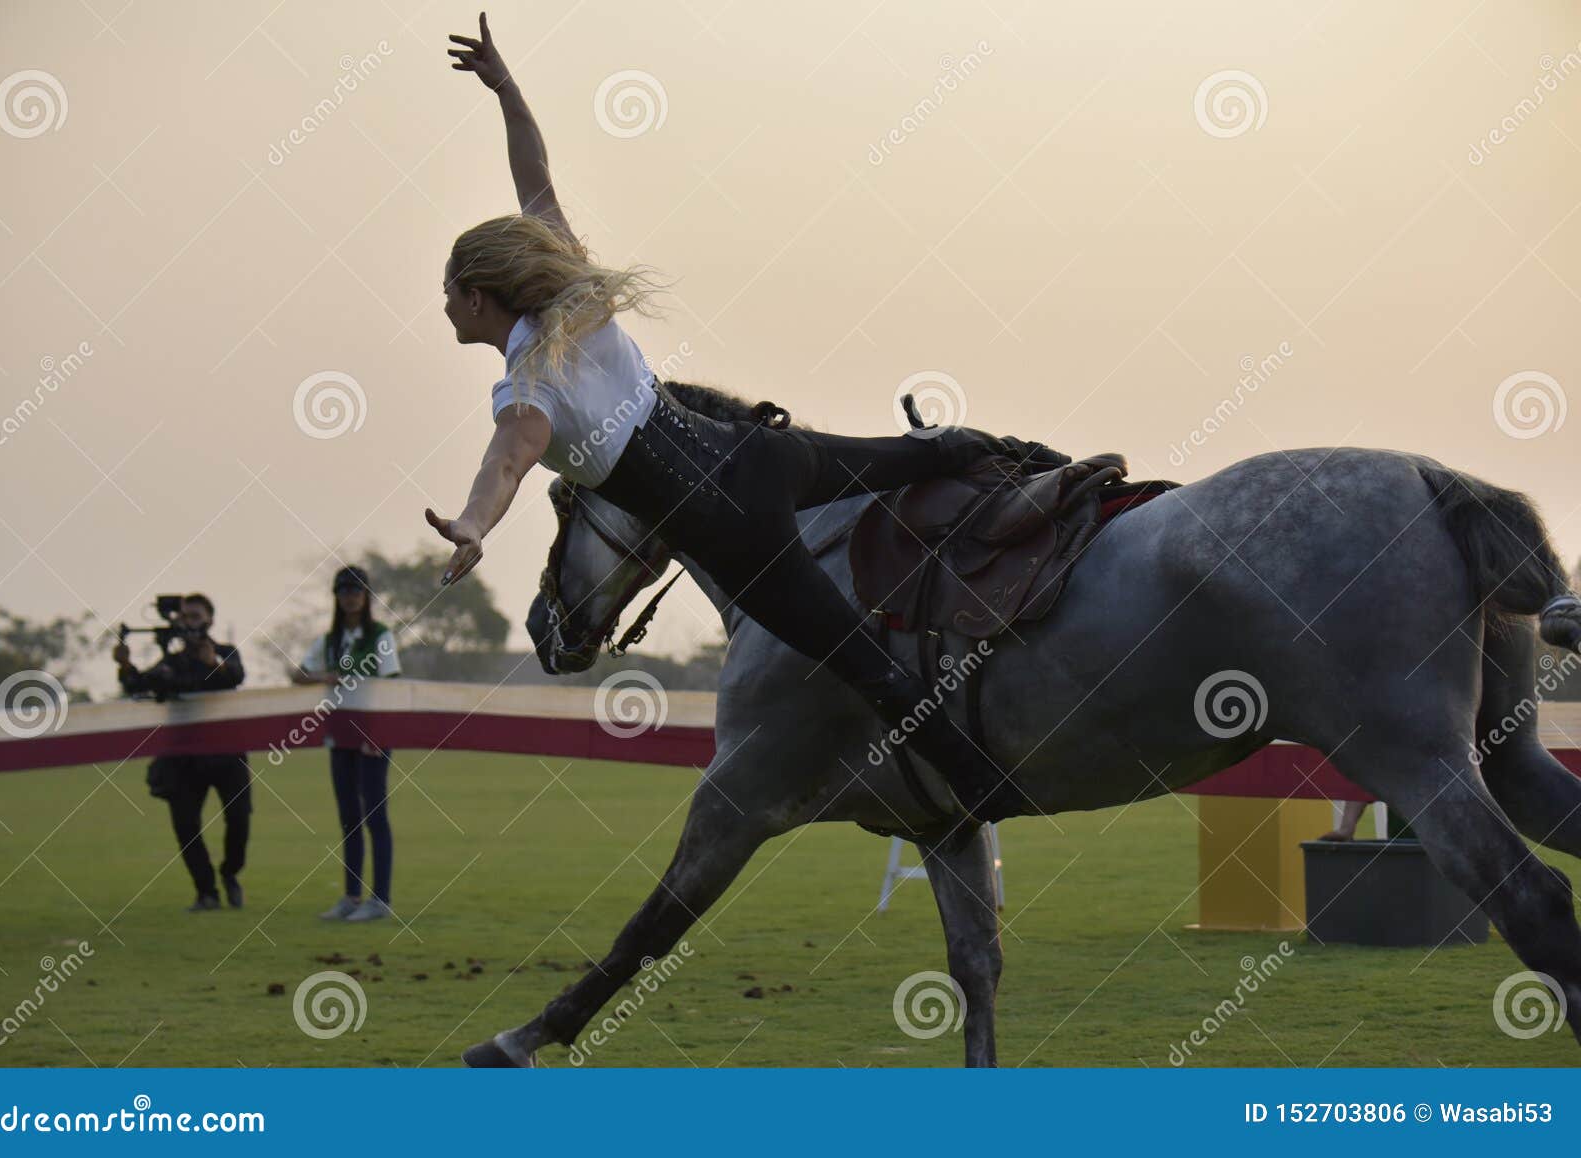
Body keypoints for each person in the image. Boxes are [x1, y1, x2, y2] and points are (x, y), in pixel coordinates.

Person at [425, 14, 1067, 819]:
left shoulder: (528, 388)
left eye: (446, 288)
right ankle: (1047, 466)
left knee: (861, 661)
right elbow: (537, 183)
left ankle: (981, 788)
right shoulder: (571, 300)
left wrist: (475, 525)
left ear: (479, 297)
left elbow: (507, 461)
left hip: (737, 531)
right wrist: (507, 90)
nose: (440, 301)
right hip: (763, 454)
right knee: (918, 454)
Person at [114, 593, 250, 912]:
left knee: (239, 822)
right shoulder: (172, 662)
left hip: (227, 754)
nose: (189, 622)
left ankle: (230, 873)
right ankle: (206, 892)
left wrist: (210, 662)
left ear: (210, 620)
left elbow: (236, 676)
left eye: (196, 616)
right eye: (185, 617)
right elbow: (140, 686)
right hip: (184, 757)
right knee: (186, 827)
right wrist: (124, 664)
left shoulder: (226, 652)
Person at [291, 565, 402, 921]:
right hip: (340, 735)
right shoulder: (330, 639)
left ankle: (380, 898)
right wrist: (323, 676)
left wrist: (380, 734)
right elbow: (297, 674)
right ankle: (351, 896)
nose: (350, 597)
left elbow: (389, 686)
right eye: (343, 591)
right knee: (348, 818)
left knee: (375, 815)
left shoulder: (381, 635)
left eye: (355, 590)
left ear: (366, 595)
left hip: (372, 736)